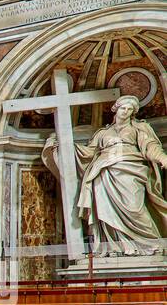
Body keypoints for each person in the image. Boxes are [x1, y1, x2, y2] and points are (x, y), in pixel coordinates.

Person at [47, 94, 167, 257]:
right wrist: (65, 146)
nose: (125, 111)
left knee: (135, 207)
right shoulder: (103, 133)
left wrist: (162, 158)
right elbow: (89, 153)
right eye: (123, 108)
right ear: (116, 109)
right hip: (103, 173)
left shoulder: (139, 128)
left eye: (129, 109)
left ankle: (150, 242)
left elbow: (151, 147)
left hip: (130, 170)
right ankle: (115, 247)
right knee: (104, 210)